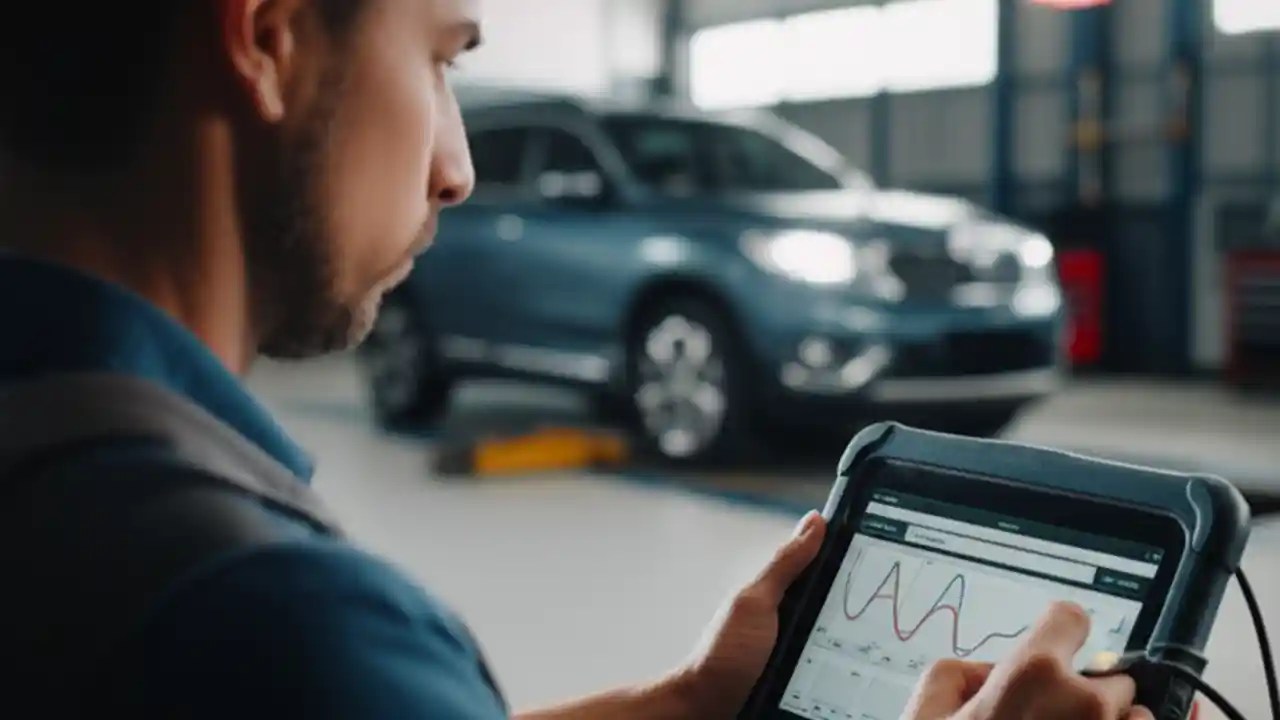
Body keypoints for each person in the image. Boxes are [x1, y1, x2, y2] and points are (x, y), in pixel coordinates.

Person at [0, 1, 1153, 718]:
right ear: (267, 35)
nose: (455, 168)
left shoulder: (69, 460)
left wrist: (690, 706)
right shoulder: (266, 622)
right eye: (442, 57)